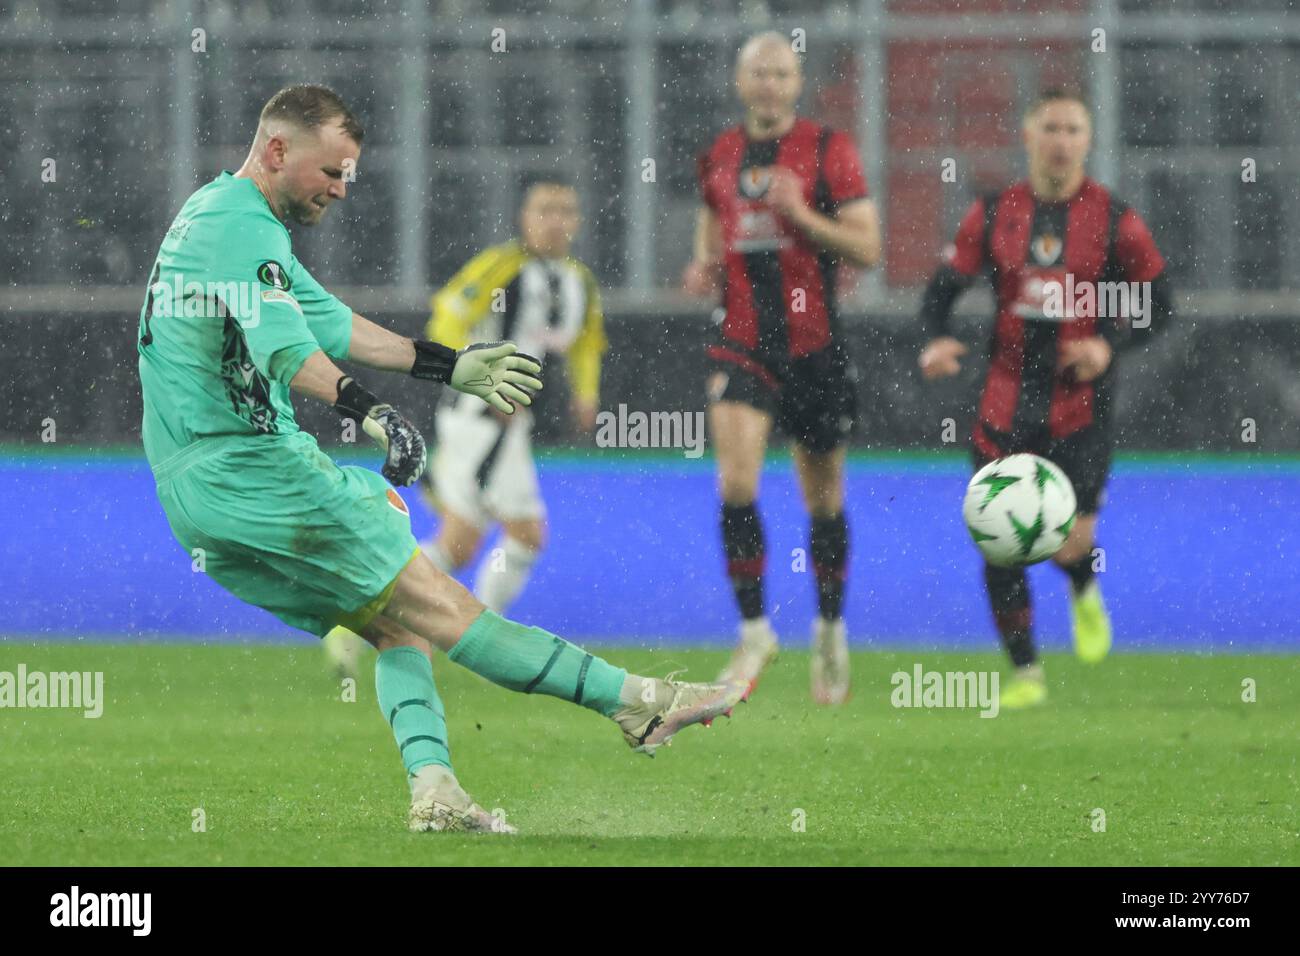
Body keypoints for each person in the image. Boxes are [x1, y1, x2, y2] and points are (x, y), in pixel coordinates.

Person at [138, 84, 748, 834]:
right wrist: (371, 411)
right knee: (444, 603)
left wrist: (450, 366)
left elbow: (334, 325)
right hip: (251, 470)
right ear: (275, 150)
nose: (340, 189)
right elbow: (289, 351)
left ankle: (435, 788)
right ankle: (635, 702)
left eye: (349, 175)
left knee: (398, 626)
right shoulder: (242, 228)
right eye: (330, 172)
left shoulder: (220, 220)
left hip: (193, 497)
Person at [917, 88, 1173, 707]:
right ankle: (1026, 672)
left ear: (1087, 139)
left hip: (1080, 407)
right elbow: (941, 290)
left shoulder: (1115, 219)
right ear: (1029, 135)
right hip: (1004, 401)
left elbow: (1158, 304)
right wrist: (936, 339)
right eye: (1050, 127)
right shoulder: (994, 212)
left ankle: (1084, 589)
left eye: (1073, 129)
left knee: (1068, 542)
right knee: (998, 537)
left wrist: (1109, 346)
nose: (1061, 140)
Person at [683, 32, 881, 704]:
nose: (769, 84)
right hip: (740, 341)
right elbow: (713, 227)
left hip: (815, 346)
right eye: (758, 73)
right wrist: (703, 263)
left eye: (781, 74)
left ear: (798, 84)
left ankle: (829, 627)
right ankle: (755, 629)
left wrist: (800, 216)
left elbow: (870, 248)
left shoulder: (830, 151)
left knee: (822, 499)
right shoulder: (719, 153)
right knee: (736, 482)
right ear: (741, 83)